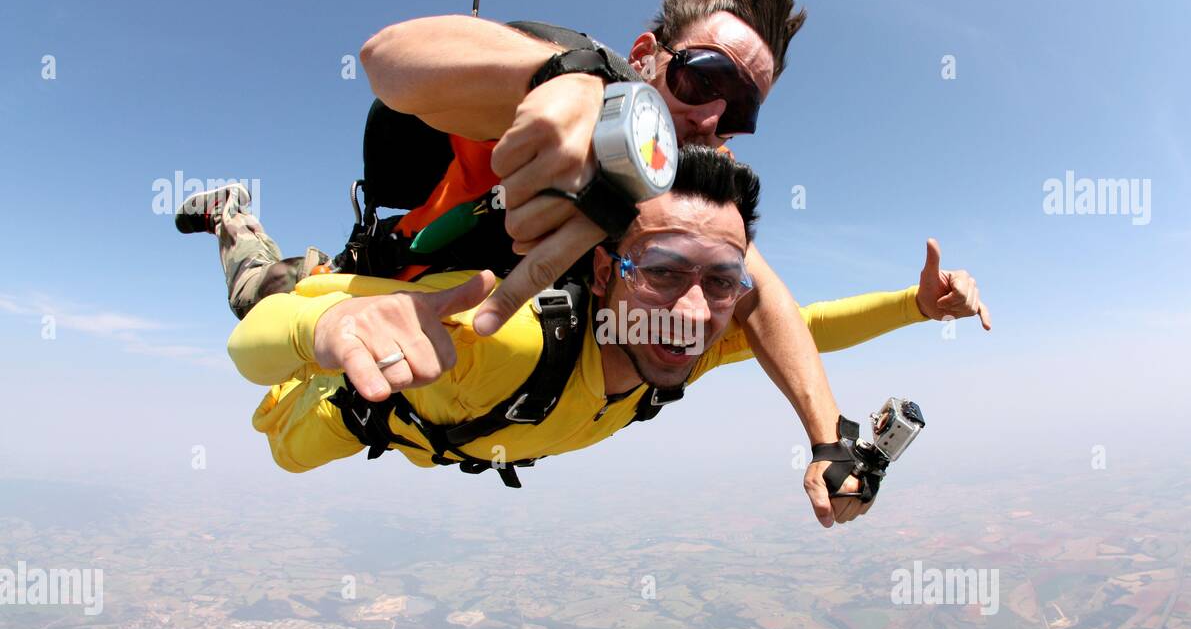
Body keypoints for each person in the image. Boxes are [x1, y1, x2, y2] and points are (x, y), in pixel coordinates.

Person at [180, 0, 990, 525]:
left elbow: (769, 308)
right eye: (703, 78)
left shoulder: (675, 259)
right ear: (647, 56)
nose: (712, 120)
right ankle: (234, 217)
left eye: (741, 112)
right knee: (263, 290)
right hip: (390, 303)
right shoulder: (555, 104)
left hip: (434, 371)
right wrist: (565, 78)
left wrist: (835, 426)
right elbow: (387, 61)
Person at [227, 147, 935, 513]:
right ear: (602, 273)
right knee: (259, 292)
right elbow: (256, 338)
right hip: (338, 407)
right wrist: (328, 325)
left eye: (722, 280)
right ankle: (236, 220)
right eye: (661, 271)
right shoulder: (507, 336)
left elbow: (802, 329)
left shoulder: (681, 348)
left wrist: (917, 305)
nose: (694, 312)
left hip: (437, 431)